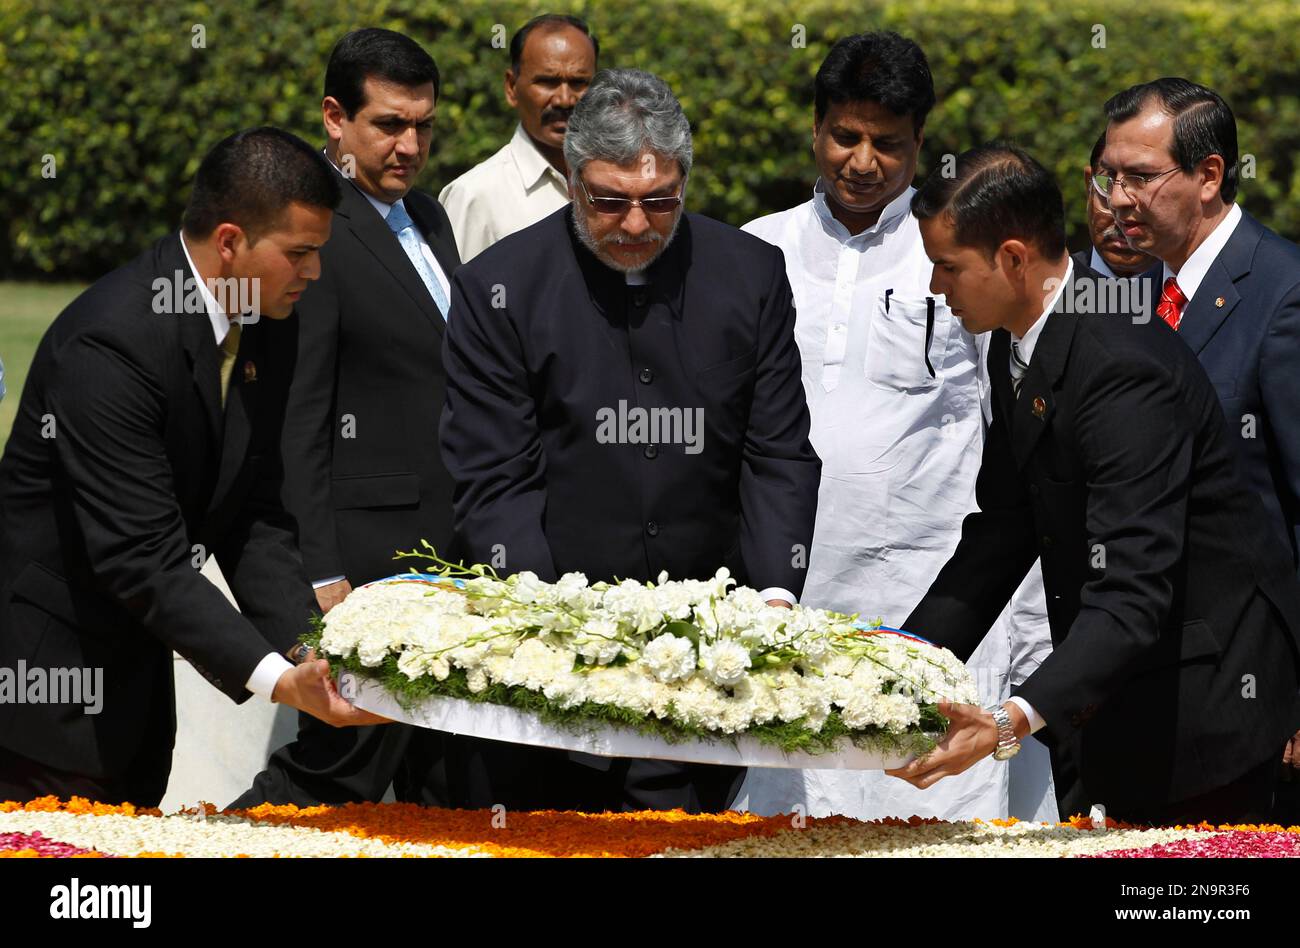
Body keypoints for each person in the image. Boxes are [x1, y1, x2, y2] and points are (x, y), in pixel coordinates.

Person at [439, 68, 821, 812]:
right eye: (609, 202)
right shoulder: (499, 288)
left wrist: (770, 604)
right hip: (546, 666)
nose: (637, 226)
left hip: (708, 663)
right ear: (572, 180)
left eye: (660, 202)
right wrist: (556, 641)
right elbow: (494, 478)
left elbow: (777, 452)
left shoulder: (750, 275)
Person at [888, 141, 1300, 826]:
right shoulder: (1014, 334)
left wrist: (1009, 720)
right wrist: (900, 669)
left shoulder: (1122, 368)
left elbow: (1134, 586)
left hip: (1203, 707)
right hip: (1107, 691)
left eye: (947, 266)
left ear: (1014, 259)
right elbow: (1004, 528)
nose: (937, 288)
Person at [0, 127, 385, 808]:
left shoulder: (267, 315)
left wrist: (308, 649)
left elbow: (254, 511)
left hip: (137, 699)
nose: (314, 273)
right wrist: (275, 680)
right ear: (231, 241)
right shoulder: (110, 343)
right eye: (299, 253)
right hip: (43, 698)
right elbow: (140, 559)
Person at [735, 31, 1053, 822]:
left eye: (889, 142)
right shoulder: (755, 251)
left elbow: (1020, 437)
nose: (863, 160)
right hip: (788, 598)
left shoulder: (957, 259)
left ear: (921, 145)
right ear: (815, 130)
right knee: (787, 820)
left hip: (932, 599)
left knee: (934, 815)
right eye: (846, 135)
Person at [231, 29, 463, 809]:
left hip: (449, 559)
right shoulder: (311, 228)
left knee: (443, 784)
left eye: (423, 125)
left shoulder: (430, 216)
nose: (410, 144)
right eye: (389, 125)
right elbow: (294, 421)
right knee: (336, 771)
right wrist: (321, 575)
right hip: (363, 567)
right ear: (335, 118)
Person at [1101, 78, 1300, 813]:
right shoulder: (1145, 292)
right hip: (1157, 690)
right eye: (1109, 176)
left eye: (1141, 178)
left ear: (1210, 175)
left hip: (1255, 706)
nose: (1118, 198)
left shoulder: (1282, 294)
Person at [439, 14, 597, 261]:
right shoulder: (475, 195)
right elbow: (454, 296)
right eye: (547, 82)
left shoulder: (619, 184)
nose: (565, 99)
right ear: (512, 87)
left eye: (578, 82)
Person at [1073, 131, 1157, 281]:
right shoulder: (1048, 291)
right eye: (1107, 189)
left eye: (1141, 191)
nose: (1122, 219)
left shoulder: (1192, 293)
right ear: (1089, 186)